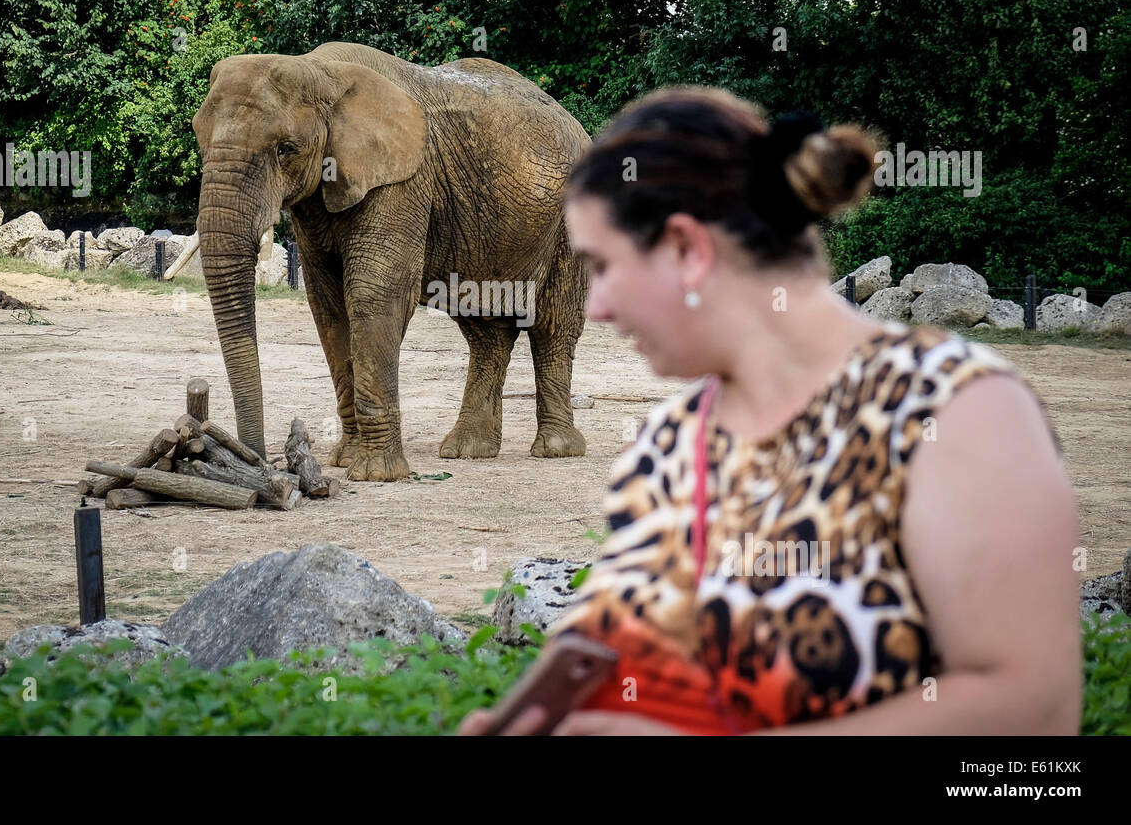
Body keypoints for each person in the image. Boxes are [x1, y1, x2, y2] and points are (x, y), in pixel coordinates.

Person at [457, 86, 1081, 735]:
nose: (599, 305)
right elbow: (623, 648)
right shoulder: (668, 444)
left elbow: (1031, 717)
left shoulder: (958, 411)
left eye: (604, 267)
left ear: (686, 250)